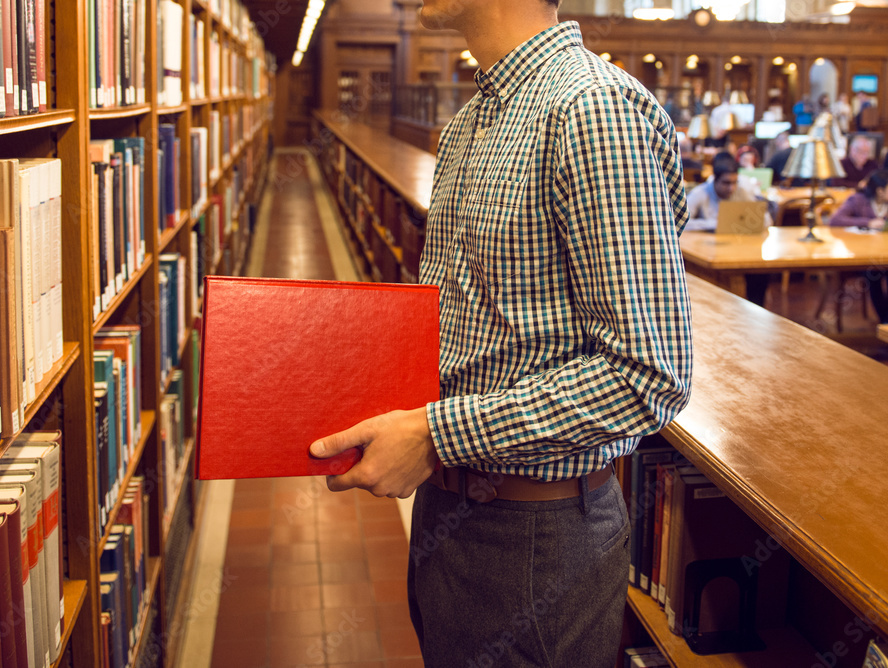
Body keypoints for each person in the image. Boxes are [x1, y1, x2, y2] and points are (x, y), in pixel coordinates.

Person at [308, 0, 694, 665]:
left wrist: (436, 433)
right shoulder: (469, 124)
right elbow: (472, 318)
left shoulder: (592, 111)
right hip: (449, 509)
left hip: (536, 534)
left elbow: (647, 375)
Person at [685, 152, 773, 305]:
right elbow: (681, 222)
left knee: (760, 271)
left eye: (734, 182)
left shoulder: (742, 191)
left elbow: (765, 219)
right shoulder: (701, 193)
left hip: (738, 249)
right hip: (708, 251)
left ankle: (756, 310)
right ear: (715, 180)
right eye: (726, 183)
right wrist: (713, 224)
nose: (731, 188)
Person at [829, 169, 888, 323]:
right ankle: (884, 320)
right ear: (880, 191)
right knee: (873, 275)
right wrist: (867, 222)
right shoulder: (858, 200)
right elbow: (835, 220)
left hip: (884, 255)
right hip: (861, 257)